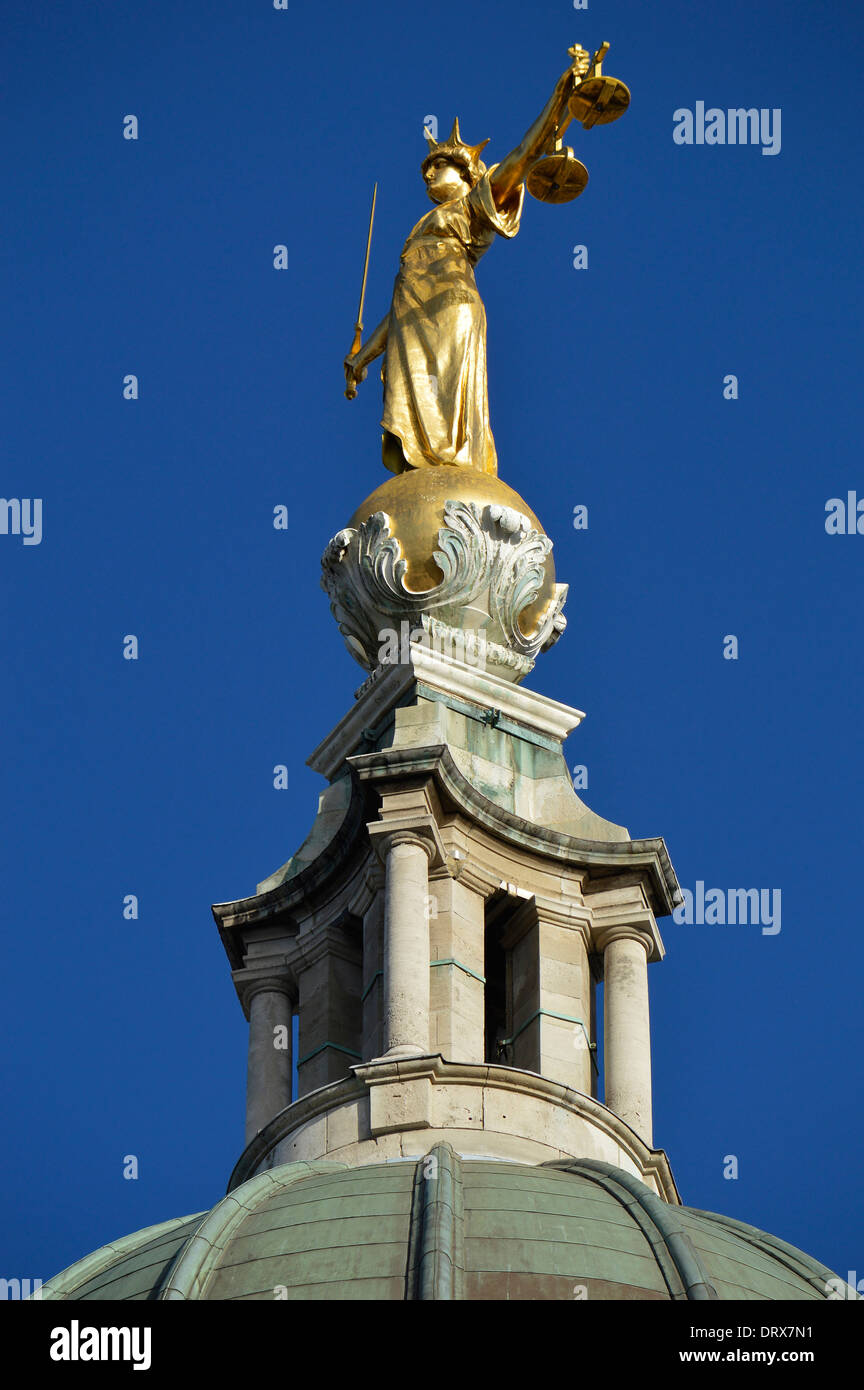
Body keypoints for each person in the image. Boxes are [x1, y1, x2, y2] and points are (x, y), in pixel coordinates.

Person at [344, 50, 591, 476]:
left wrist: (560, 101)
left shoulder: (473, 206)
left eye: (439, 165)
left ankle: (456, 474)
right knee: (416, 437)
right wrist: (362, 357)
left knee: (451, 427)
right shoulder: (420, 231)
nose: (428, 173)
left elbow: (522, 154)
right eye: (427, 168)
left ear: (466, 175)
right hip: (413, 323)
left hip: (451, 309)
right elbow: (401, 311)